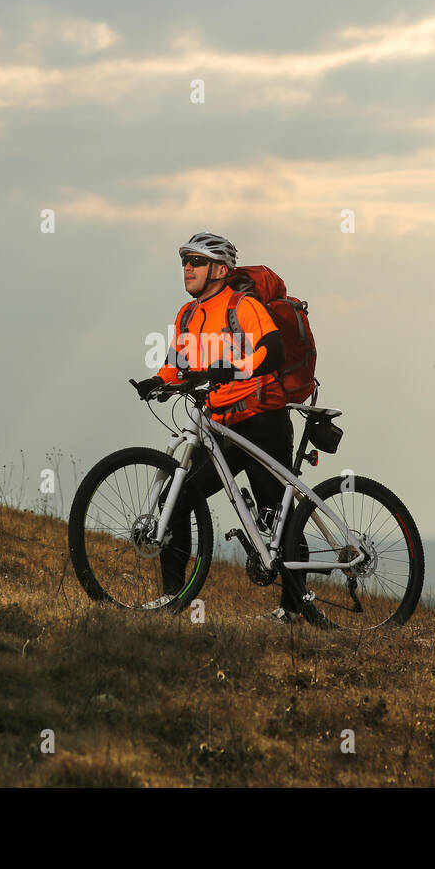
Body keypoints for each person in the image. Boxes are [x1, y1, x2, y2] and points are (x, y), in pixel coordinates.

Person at [133, 232, 303, 623]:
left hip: (262, 420)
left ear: (220, 270)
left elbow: (272, 352)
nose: (187, 268)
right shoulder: (187, 315)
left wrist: (234, 369)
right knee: (177, 497)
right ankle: (171, 599)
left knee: (276, 516)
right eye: (184, 262)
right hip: (220, 427)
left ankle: (294, 610)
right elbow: (178, 364)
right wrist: (158, 382)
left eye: (196, 261)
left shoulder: (244, 307)